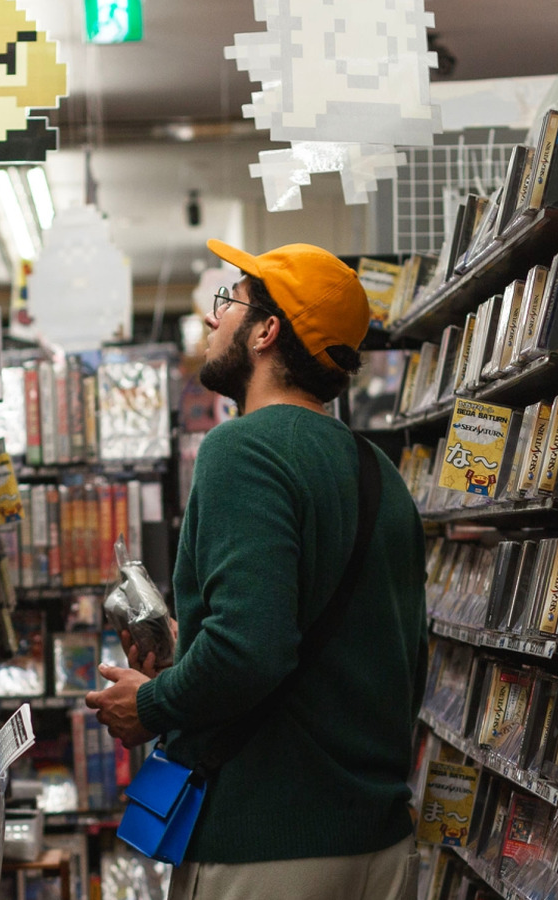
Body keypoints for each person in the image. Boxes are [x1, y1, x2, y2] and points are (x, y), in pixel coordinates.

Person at [85, 240, 427, 900]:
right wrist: (191, 657)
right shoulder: (379, 471)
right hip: (381, 842)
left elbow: (250, 650)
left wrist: (151, 704)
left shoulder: (242, 449)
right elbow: (396, 651)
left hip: (269, 843)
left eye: (229, 301)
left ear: (267, 331)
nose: (211, 318)